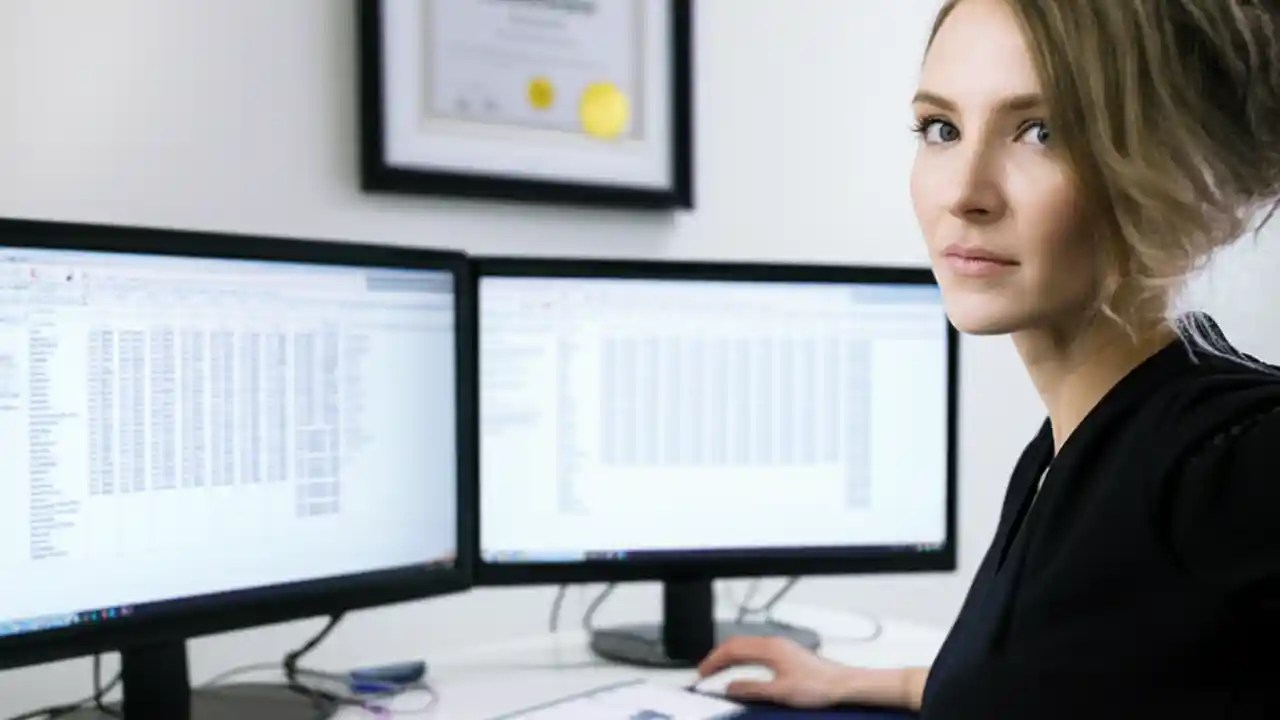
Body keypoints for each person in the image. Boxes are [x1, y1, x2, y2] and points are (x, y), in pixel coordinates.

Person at [697, 0, 1280, 717]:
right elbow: (1070, 678)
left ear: (1175, 164)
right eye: (941, 129)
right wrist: (858, 682)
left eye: (1042, 132)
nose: (964, 194)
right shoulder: (1073, 445)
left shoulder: (1227, 464)